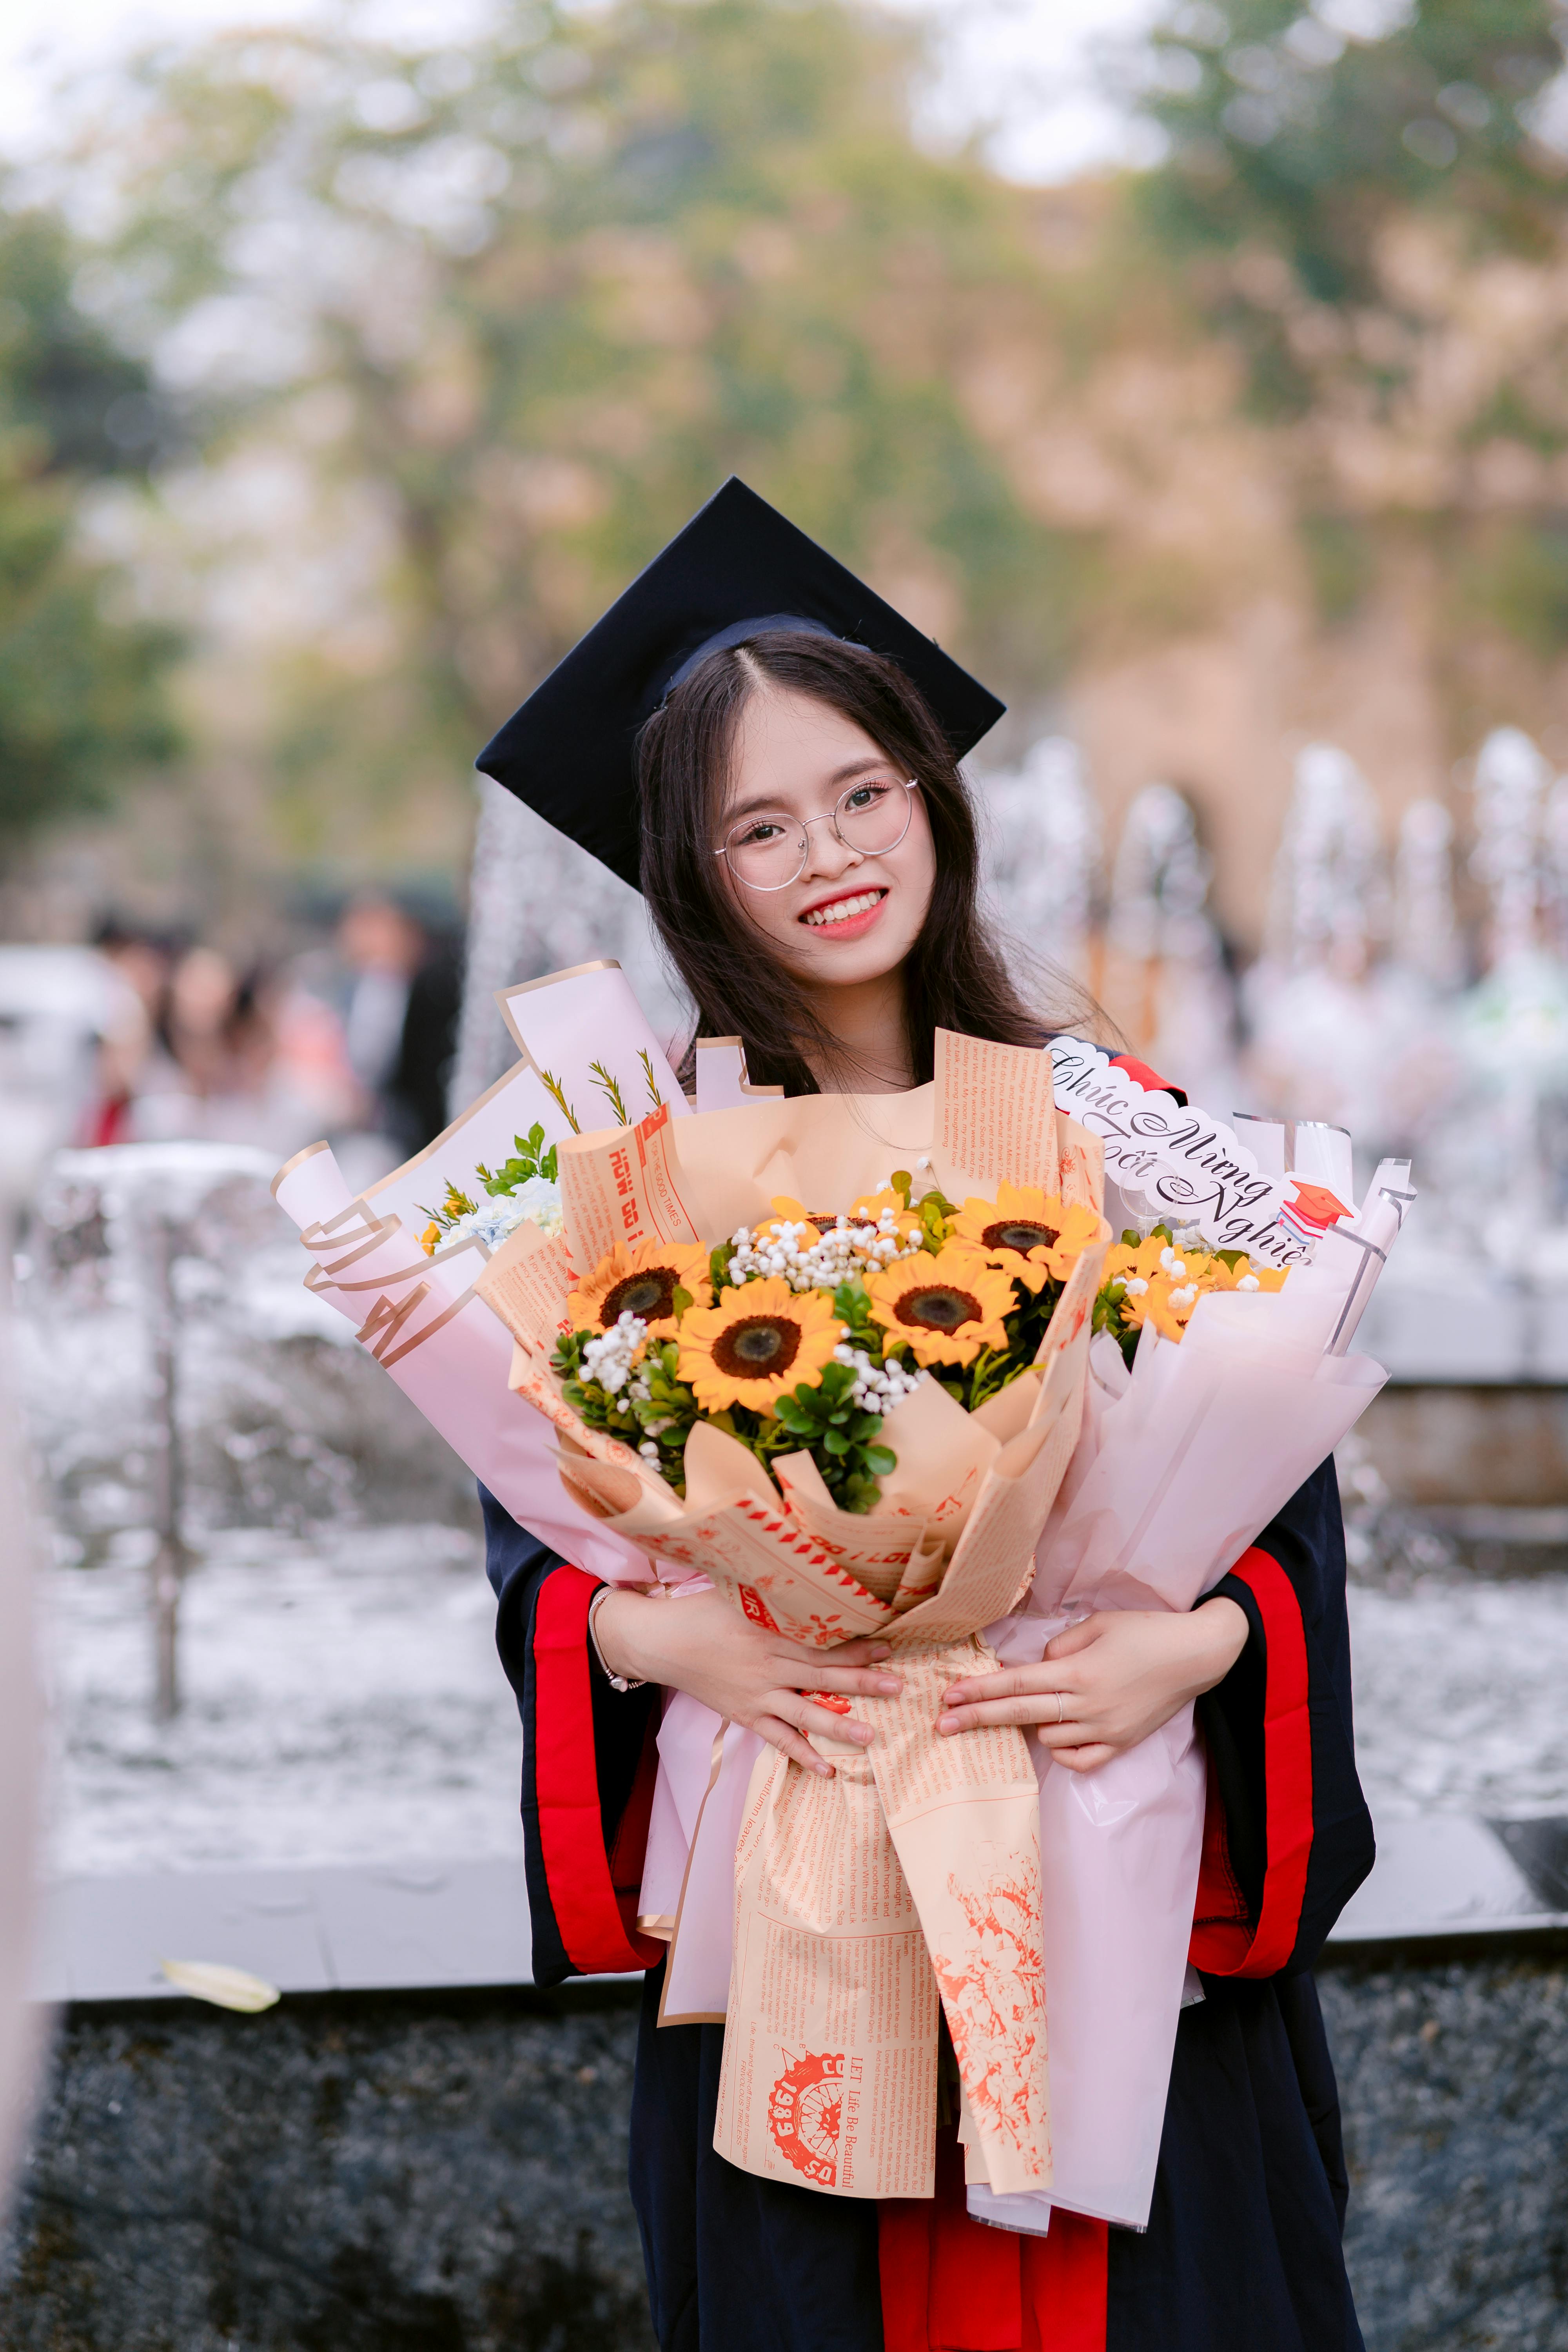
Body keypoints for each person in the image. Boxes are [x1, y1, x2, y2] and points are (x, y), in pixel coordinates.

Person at [474, 481, 1373, 2352]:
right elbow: (547, 1525)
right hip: (808, 1892)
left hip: (1112, 1866)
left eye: (863, 793)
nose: (830, 855)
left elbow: (1280, 1497)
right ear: (690, 872)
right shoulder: (644, 1178)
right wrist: (660, 1638)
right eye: (759, 826)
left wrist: (1199, 1649)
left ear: (933, 800)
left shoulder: (1113, 1118)